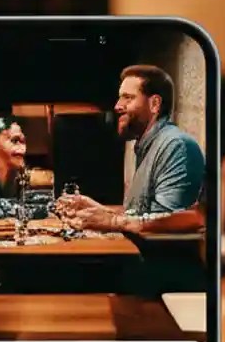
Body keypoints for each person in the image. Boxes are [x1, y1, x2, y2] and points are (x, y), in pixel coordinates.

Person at [63, 65, 206, 234]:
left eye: (127, 98)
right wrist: (97, 209)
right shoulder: (147, 146)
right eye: (119, 98)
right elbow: (142, 216)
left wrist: (113, 221)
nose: (117, 106)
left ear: (154, 104)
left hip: (162, 259)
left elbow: (171, 220)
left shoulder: (175, 146)